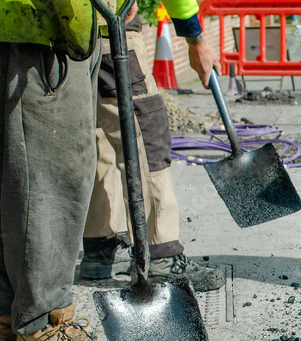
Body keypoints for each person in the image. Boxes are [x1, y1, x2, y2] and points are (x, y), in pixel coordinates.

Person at [0, 3, 117, 341]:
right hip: (50, 30)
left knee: (14, 178)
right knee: (51, 178)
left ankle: (7, 316)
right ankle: (43, 324)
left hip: (25, 29)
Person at [80, 2, 226, 292]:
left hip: (69, 36)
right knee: (145, 134)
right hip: (112, 30)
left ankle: (102, 248)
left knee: (99, 134)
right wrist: (194, 37)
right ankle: (162, 255)